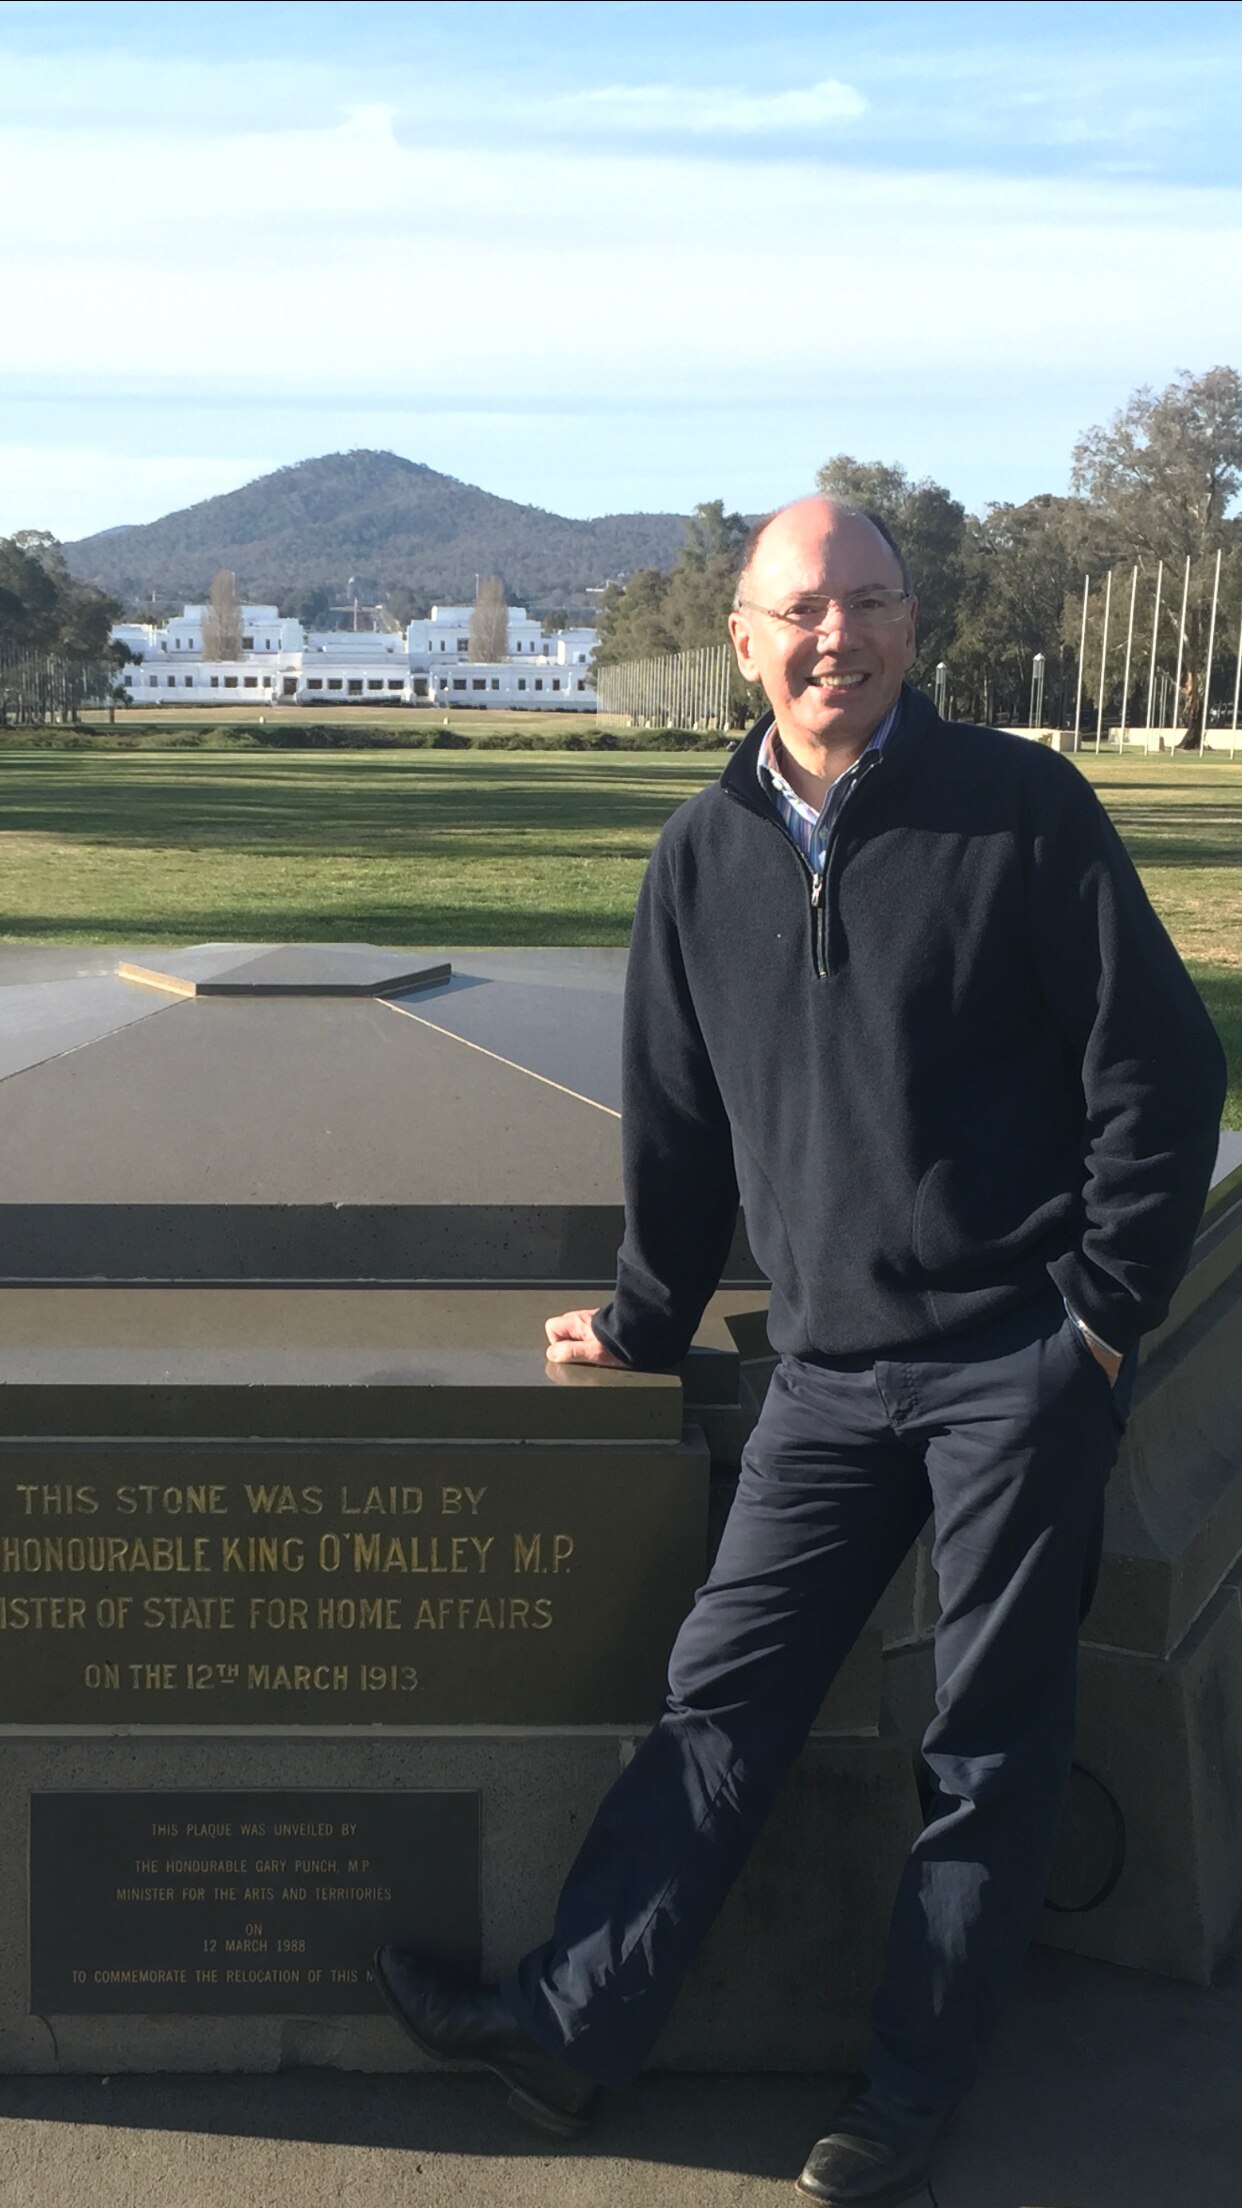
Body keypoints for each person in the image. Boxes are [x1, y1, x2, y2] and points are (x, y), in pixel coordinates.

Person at [374, 497, 1226, 2206]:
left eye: (867, 602)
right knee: (716, 1708)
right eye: (799, 610)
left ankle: (904, 2098)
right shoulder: (698, 856)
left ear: (912, 627)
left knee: (985, 1748)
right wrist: (638, 1318)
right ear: (744, 641)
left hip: (1014, 1366)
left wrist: (1095, 1323)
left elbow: (1161, 1073)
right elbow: (678, 1136)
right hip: (826, 1382)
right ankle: (569, 2032)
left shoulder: (1020, 809)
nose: (834, 635)